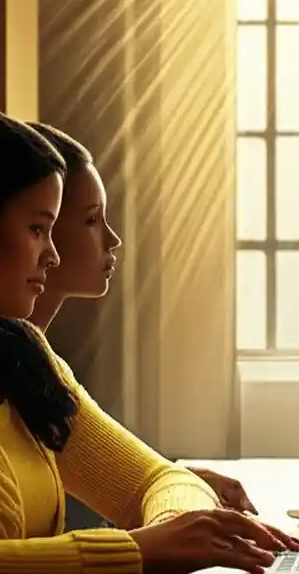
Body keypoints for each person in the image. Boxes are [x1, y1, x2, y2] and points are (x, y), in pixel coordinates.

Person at [0, 105, 299, 574]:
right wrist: (141, 552)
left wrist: (178, 531)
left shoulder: (17, 352)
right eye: (38, 229)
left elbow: (161, 481)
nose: (53, 255)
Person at [26, 121, 257, 514]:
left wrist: (178, 482)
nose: (113, 239)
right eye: (92, 220)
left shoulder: (33, 364)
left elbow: (144, 482)